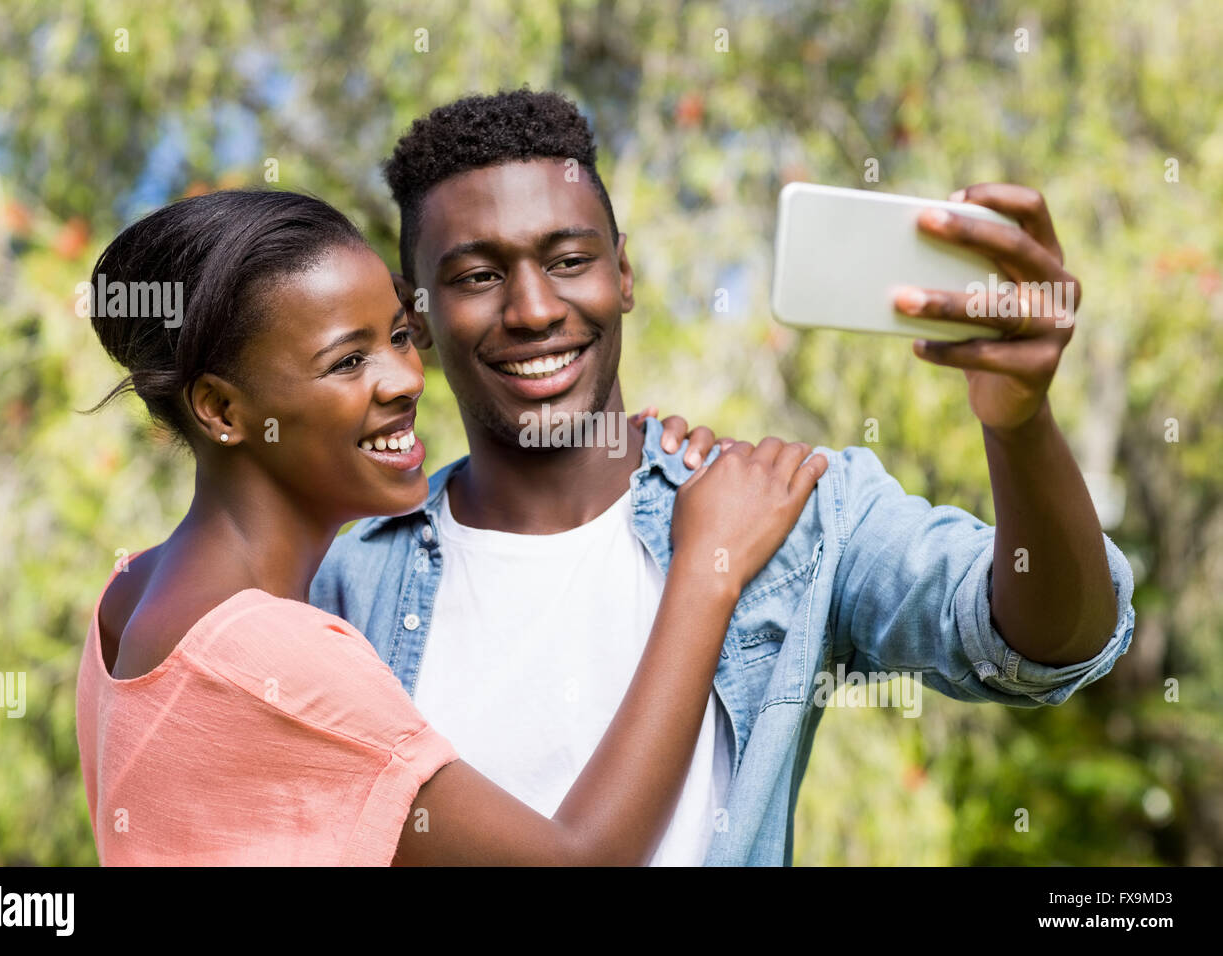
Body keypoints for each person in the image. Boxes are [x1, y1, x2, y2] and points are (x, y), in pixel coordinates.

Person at [310, 89, 1138, 866]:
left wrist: (1021, 424)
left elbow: (1051, 644)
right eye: (478, 277)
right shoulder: (346, 587)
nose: (532, 309)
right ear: (414, 311)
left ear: (623, 274)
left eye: (568, 259)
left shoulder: (788, 514)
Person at [75, 188, 828, 865]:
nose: (405, 381)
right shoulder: (271, 652)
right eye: (347, 362)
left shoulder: (129, 596)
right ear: (222, 411)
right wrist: (709, 568)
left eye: (399, 336)